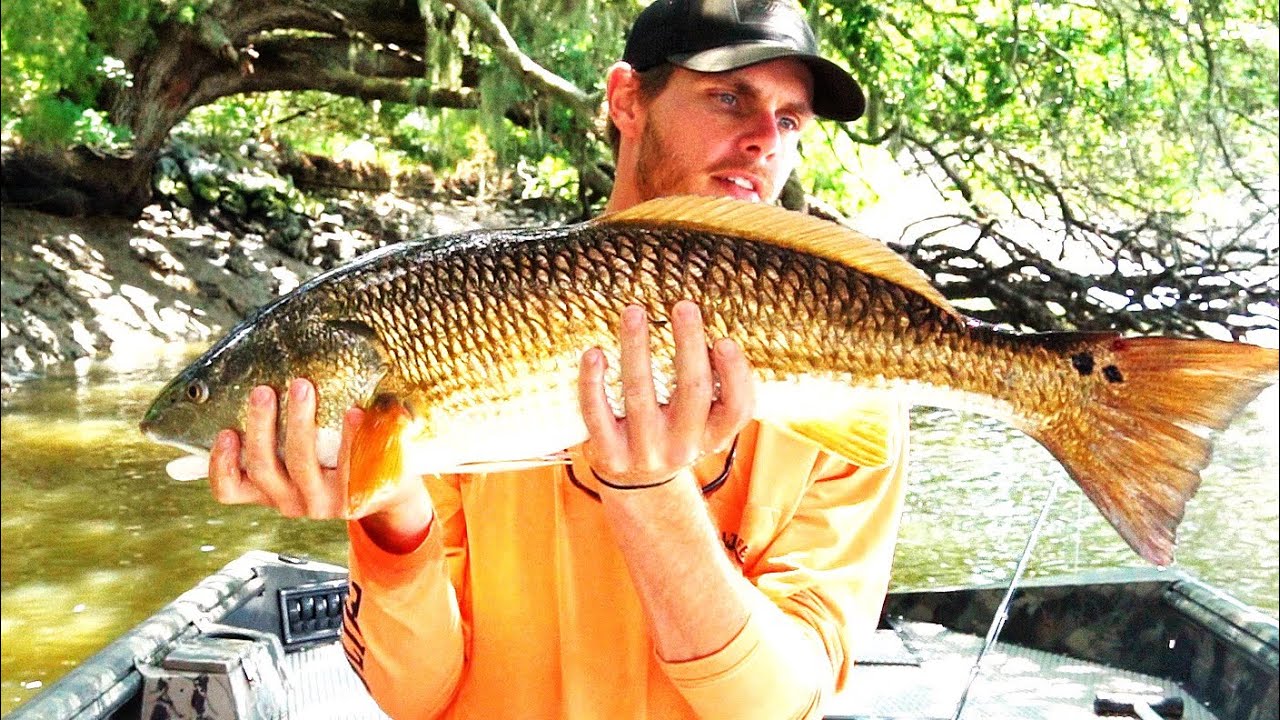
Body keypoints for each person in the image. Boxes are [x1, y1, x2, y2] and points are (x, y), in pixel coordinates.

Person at [207, 1, 910, 718]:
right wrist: (391, 512)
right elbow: (412, 696)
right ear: (626, 100)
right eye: (729, 98)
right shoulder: (451, 320)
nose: (766, 140)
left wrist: (652, 493)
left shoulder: (854, 390)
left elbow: (781, 705)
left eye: (790, 120)